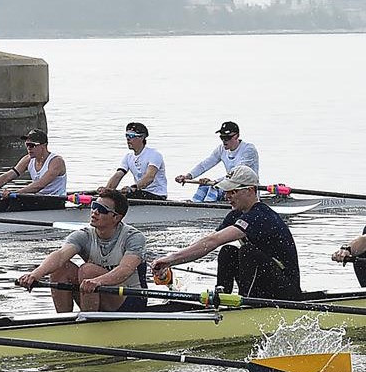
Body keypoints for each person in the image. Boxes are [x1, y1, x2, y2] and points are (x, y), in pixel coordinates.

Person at [152, 165, 301, 299]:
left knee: (248, 251)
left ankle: (244, 302)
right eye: (226, 191)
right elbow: (209, 241)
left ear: (249, 190)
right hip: (264, 282)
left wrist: (171, 259)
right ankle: (222, 296)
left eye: (232, 191)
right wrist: (170, 263)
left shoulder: (261, 215)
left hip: (286, 288)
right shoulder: (235, 215)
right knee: (227, 251)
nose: (227, 196)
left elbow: (213, 241)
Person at [16, 188, 148, 312]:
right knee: (61, 268)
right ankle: (65, 321)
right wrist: (35, 274)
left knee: (88, 270)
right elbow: (60, 255)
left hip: (131, 299)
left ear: (116, 217)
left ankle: (88, 324)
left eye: (101, 209)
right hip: (97, 292)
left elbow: (125, 269)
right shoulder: (84, 235)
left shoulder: (133, 237)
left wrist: (98, 281)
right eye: (94, 206)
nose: (94, 212)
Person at [0, 128, 67, 211]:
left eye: (32, 145)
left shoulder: (56, 162)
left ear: (43, 146)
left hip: (55, 201)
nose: (28, 148)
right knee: (4, 201)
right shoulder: (28, 160)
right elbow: (8, 176)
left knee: (15, 201)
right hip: (39, 199)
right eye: (27, 145)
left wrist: (15, 193)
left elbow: (39, 185)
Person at [176, 121, 260, 202]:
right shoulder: (221, 149)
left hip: (245, 189)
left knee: (213, 188)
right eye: (222, 137)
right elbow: (204, 165)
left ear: (237, 136)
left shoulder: (248, 150)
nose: (224, 141)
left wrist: (215, 182)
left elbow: (236, 174)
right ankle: (195, 208)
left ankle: (206, 210)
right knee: (203, 187)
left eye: (227, 138)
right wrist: (188, 176)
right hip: (230, 186)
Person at [104, 122, 168, 200]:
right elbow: (118, 175)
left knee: (121, 196)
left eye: (131, 136)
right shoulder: (128, 157)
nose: (128, 139)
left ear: (141, 137)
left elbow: (149, 177)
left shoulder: (154, 154)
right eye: (126, 136)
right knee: (111, 194)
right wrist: (106, 191)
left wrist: (133, 188)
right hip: (139, 193)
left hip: (157, 194)